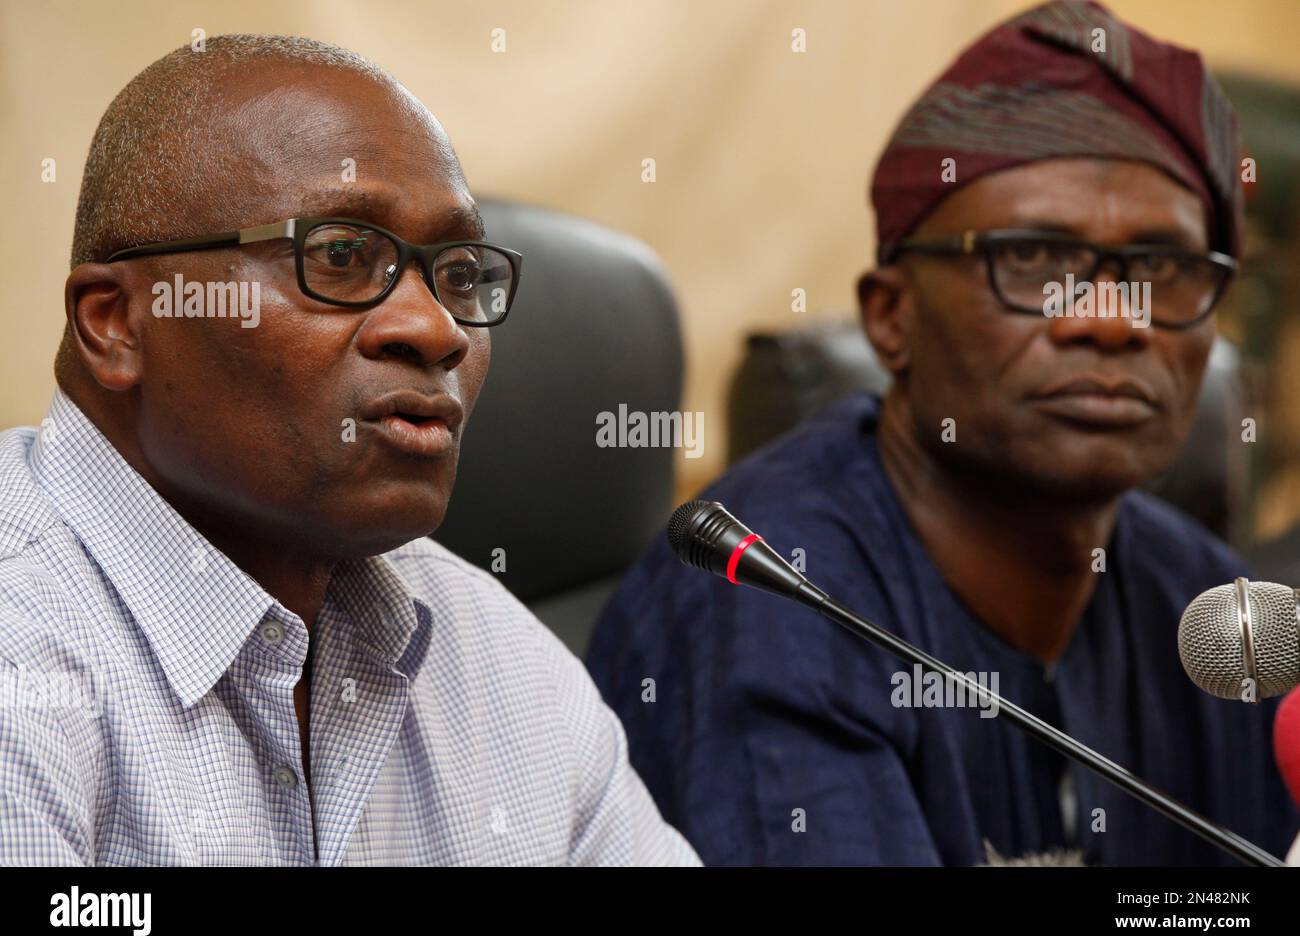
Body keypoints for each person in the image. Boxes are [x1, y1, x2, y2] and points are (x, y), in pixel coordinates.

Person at [586, 0, 1299, 865]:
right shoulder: (773, 595)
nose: (1113, 320)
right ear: (891, 318)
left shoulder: (1210, 602)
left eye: (1164, 268)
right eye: (1035, 260)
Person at [0, 34, 698, 866]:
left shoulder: (498, 659)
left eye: (461, 274)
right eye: (336, 256)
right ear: (115, 323)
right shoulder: (25, 656)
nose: (436, 328)